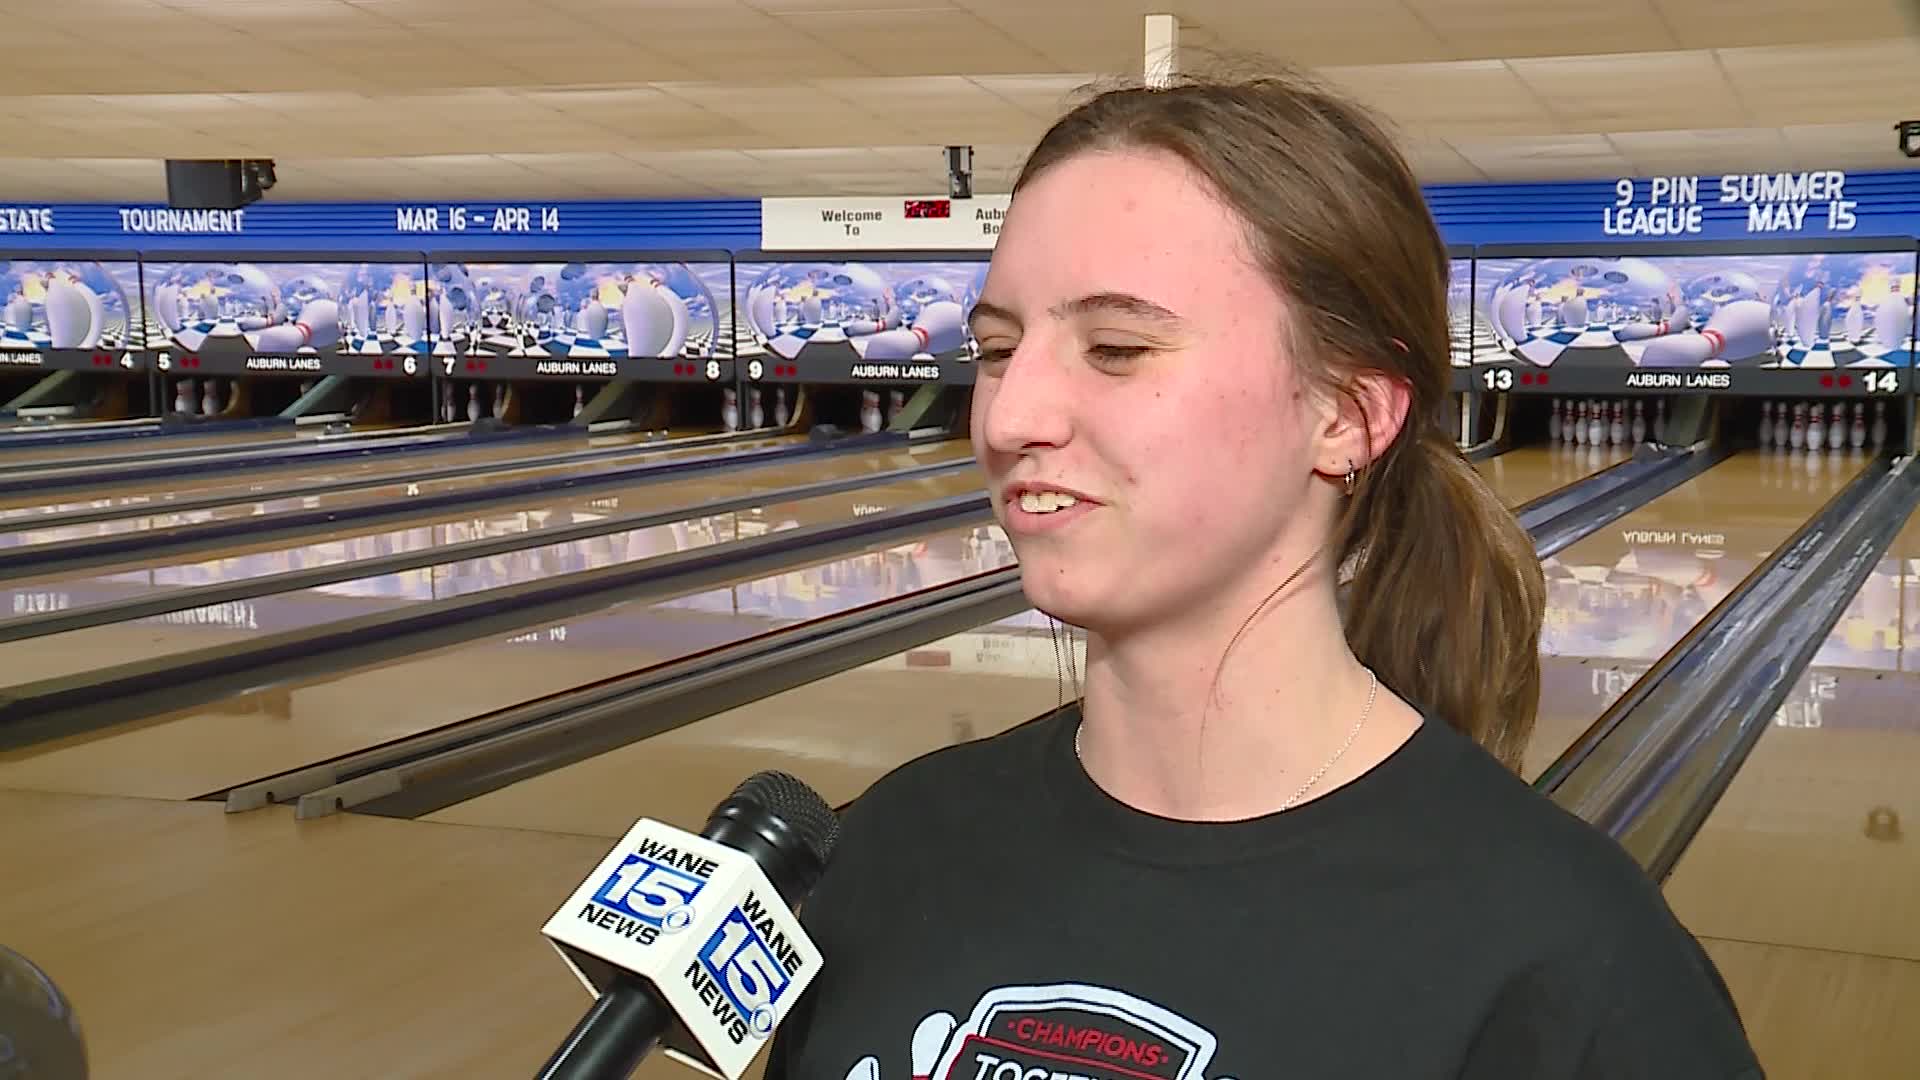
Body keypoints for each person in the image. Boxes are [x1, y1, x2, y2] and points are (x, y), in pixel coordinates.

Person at [765, 65, 1764, 1080]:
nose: (1012, 416)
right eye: (996, 349)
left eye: (1115, 347)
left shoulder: (1579, 974)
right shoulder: (894, 847)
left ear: (1347, 414)